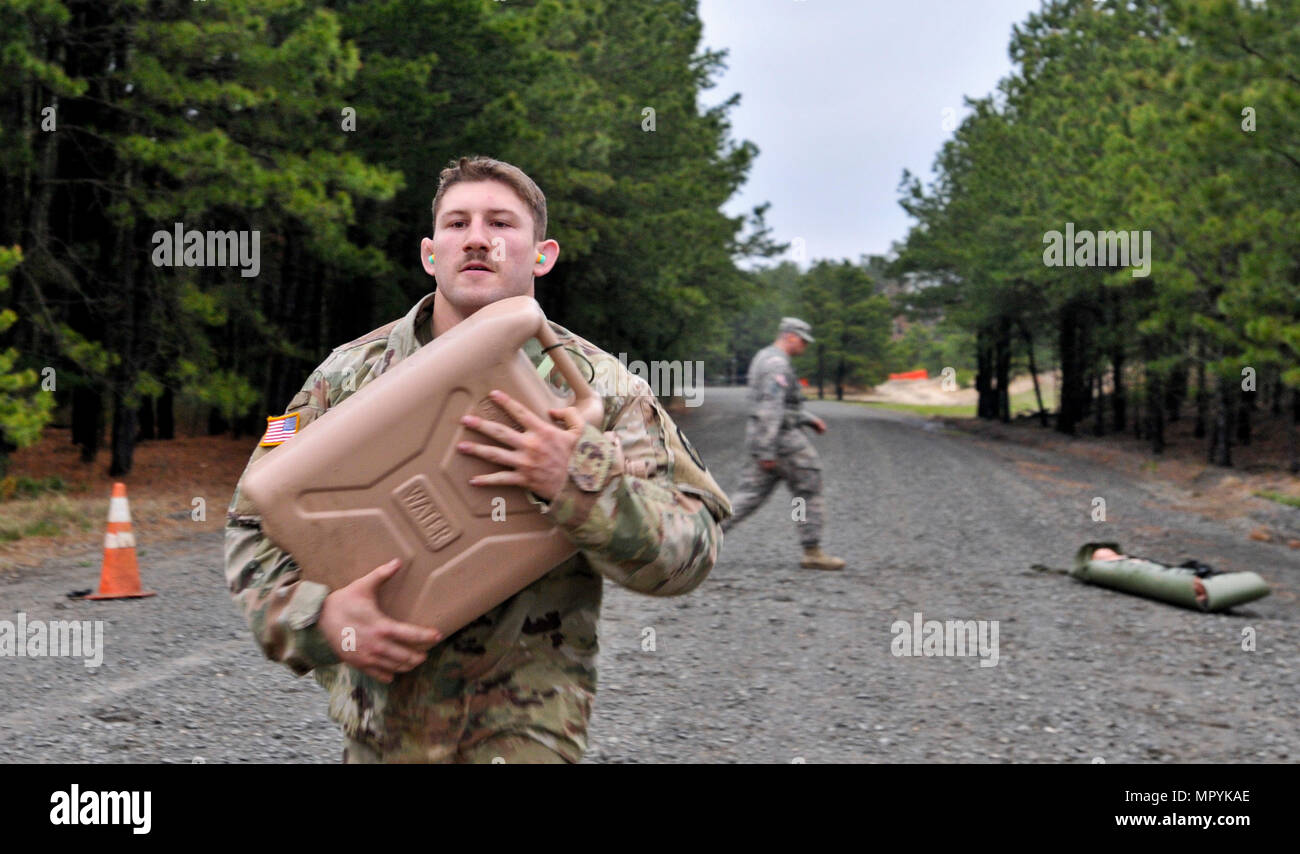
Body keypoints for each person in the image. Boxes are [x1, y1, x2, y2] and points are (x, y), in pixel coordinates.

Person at [224, 156, 732, 763]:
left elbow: (692, 548)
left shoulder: (605, 390)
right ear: (429, 253)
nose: (477, 238)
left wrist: (580, 486)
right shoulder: (344, 376)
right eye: (457, 223)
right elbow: (252, 519)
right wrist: (319, 618)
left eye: (501, 223)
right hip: (382, 737)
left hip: (526, 733)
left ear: (542, 255)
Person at [721, 318, 846, 571]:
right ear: (790, 336)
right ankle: (811, 550)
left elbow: (780, 404)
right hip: (781, 440)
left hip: (764, 436)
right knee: (808, 486)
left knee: (749, 496)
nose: (805, 346)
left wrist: (808, 419)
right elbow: (771, 407)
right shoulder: (777, 363)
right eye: (802, 340)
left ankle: (695, 542)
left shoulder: (764, 357)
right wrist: (768, 449)